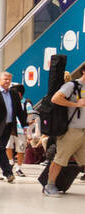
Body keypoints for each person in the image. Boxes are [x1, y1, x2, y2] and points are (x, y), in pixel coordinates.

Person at [43, 64, 85, 197]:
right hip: (71, 131)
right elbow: (55, 98)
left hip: (83, 131)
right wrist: (75, 104)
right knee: (60, 159)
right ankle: (49, 186)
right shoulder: (72, 86)